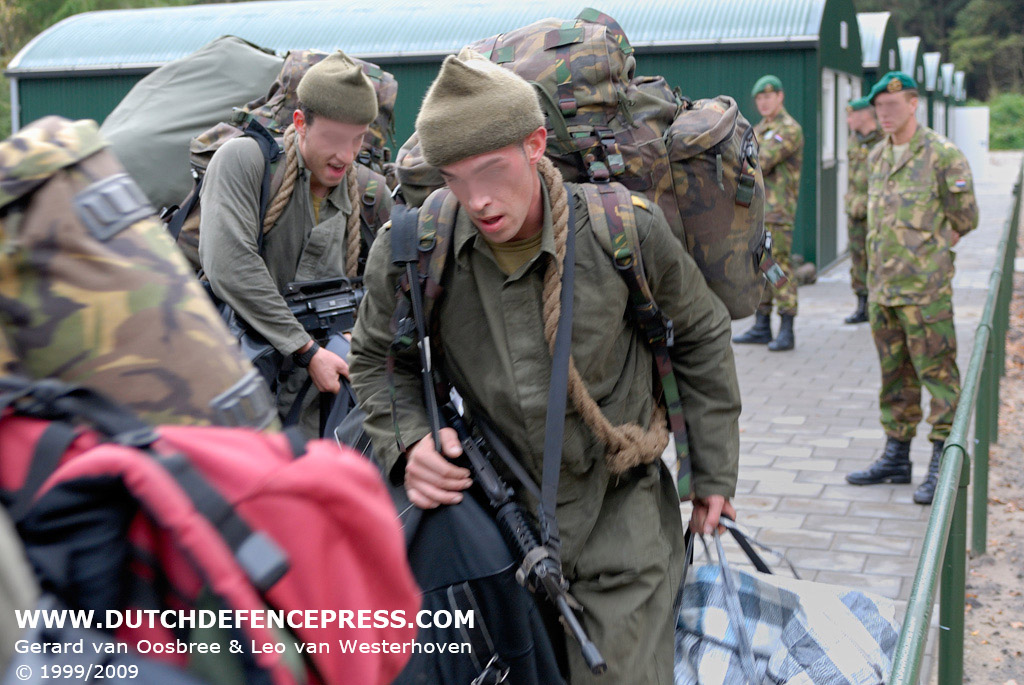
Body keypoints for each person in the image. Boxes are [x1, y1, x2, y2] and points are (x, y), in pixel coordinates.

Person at [349, 50, 741, 684]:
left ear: (534, 145)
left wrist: (712, 470)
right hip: (500, 523)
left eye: (491, 169)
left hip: (621, 518)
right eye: (453, 177)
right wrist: (410, 442)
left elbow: (700, 332)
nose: (476, 198)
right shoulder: (416, 251)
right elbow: (376, 361)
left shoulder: (623, 232)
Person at [199, 51, 391, 437]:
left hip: (323, 397)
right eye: (334, 139)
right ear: (300, 123)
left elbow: (386, 285)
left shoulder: (371, 194)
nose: (346, 156)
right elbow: (229, 265)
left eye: (357, 140)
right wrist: (305, 349)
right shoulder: (246, 162)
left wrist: (359, 333)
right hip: (236, 377)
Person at [845, 72, 978, 505]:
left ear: (914, 104)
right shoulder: (876, 156)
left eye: (891, 106)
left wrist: (931, 253)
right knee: (894, 378)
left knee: (938, 376)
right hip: (883, 291)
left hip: (924, 292)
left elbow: (965, 218)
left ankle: (943, 460)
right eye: (878, 107)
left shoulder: (941, 154)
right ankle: (896, 457)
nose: (883, 113)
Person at [733, 75, 804, 351]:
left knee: (777, 266)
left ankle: (787, 325)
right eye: (759, 98)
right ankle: (762, 325)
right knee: (759, 266)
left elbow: (759, 160)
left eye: (768, 96)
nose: (763, 102)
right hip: (757, 212)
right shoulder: (759, 129)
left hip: (777, 212)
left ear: (780, 97)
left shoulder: (788, 129)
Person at [843, 95, 884, 324]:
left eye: (851, 115)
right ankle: (862, 305)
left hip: (875, 212)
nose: (849, 120)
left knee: (876, 257)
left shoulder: (883, 139)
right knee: (858, 258)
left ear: (864, 115)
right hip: (855, 210)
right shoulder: (853, 140)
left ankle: (878, 305)